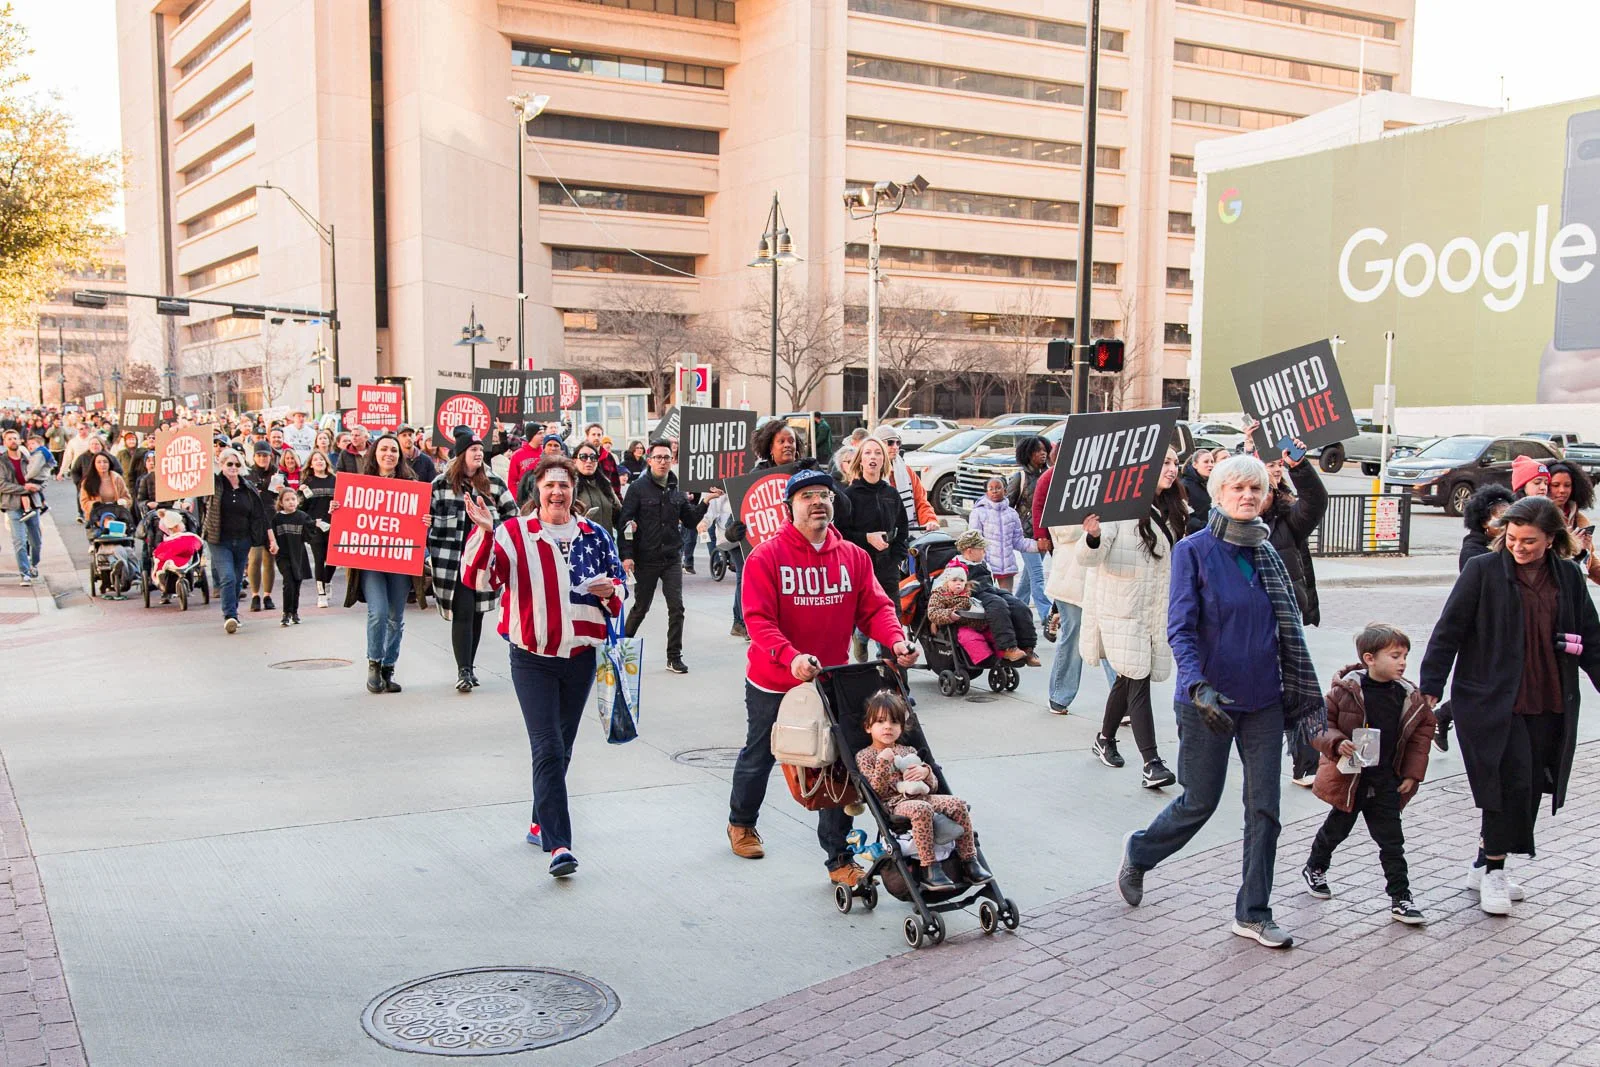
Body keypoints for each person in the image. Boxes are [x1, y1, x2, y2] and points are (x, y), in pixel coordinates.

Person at [1116, 454, 1326, 950]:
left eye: (1255, 489)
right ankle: (1141, 852)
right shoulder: (1193, 551)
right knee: (1199, 802)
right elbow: (1180, 629)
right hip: (1206, 698)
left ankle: (1253, 912)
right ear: (1217, 494)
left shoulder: (1269, 552)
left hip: (1264, 699)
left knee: (1265, 808)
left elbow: (1285, 630)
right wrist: (1195, 684)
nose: (1247, 496)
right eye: (1236, 488)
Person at [726, 467, 919, 890]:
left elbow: (876, 608)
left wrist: (896, 640)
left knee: (835, 765)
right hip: (775, 679)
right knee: (760, 754)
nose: (817, 502)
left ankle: (838, 859)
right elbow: (759, 620)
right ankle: (742, 823)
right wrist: (789, 656)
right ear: (789, 506)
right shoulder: (766, 557)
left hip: (832, 679)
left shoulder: (853, 556)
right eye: (806, 496)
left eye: (824, 495)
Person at [1419, 495, 1600, 915]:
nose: (1519, 547)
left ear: (1553, 539)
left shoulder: (1569, 578)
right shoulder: (1483, 570)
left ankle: (1484, 862)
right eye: (1513, 538)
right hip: (1491, 701)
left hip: (1549, 698)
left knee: (1532, 784)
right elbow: (1449, 630)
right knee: (1508, 783)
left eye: (1530, 541)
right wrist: (1430, 686)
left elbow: (1591, 638)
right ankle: (1496, 871)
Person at [460, 454, 627, 878]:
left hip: (581, 658)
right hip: (531, 658)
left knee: (562, 747)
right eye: (550, 485)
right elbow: (479, 580)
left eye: (564, 486)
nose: (557, 492)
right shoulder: (514, 534)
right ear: (537, 489)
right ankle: (559, 845)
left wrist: (610, 592)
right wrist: (483, 534)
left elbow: (621, 594)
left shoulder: (595, 535)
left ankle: (539, 817)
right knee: (548, 747)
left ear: (574, 492)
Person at [1302, 624, 1436, 925]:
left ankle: (1400, 897)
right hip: (1351, 780)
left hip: (1386, 780)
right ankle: (1315, 866)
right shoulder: (1344, 691)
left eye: (1405, 656)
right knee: (1336, 830)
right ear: (1369, 658)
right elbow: (1318, 726)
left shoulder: (1408, 696)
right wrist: (1337, 742)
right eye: (1395, 655)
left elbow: (1421, 736)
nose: (1402, 662)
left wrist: (1412, 774)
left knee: (1392, 842)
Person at [1081, 446, 1187, 789]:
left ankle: (1104, 738)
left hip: (1155, 609)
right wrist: (1093, 536)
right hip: (1121, 609)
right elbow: (1089, 557)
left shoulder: (1175, 508)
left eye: (1174, 463)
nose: (1171, 469)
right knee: (1137, 679)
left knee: (1128, 678)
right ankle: (1152, 762)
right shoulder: (1118, 508)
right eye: (1164, 462)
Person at [857, 689, 991, 890]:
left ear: (901, 728)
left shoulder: (909, 751)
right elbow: (877, 791)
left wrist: (925, 771)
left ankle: (969, 860)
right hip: (894, 804)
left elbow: (933, 786)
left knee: (958, 804)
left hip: (924, 796)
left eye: (894, 723)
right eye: (881, 722)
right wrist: (883, 763)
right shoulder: (865, 756)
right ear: (868, 727)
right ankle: (930, 867)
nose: (888, 727)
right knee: (921, 809)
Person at [1258, 440, 1328, 786]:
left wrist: (1299, 466)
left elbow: (1316, 503)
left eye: (1259, 488)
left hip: (1283, 619)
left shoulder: (1288, 521)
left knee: (1296, 687)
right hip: (1246, 626)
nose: (1251, 496)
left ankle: (1306, 761)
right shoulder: (1224, 530)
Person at [429, 429, 518, 692]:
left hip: (484, 560)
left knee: (477, 613)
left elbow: (512, 517)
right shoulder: (440, 484)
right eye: (473, 449)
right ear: (460, 455)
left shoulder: (493, 482)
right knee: (464, 611)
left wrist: (493, 527)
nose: (479, 453)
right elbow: (425, 518)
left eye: (481, 449)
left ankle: (469, 666)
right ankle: (463, 670)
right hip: (452, 559)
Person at [339, 433, 427, 694]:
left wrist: (424, 522)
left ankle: (389, 667)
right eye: (384, 449)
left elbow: (418, 520)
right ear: (374, 453)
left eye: (394, 450)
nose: (389, 454)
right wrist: (338, 508)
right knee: (377, 612)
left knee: (395, 618)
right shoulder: (360, 486)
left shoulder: (411, 485)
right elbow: (348, 518)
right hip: (371, 560)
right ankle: (374, 663)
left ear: (400, 457)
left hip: (400, 560)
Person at [619, 440, 712, 674]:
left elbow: (689, 520)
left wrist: (706, 502)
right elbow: (625, 523)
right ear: (649, 460)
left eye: (667, 457)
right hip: (646, 558)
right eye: (658, 457)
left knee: (677, 607)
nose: (662, 462)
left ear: (672, 461)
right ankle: (620, 648)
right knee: (641, 607)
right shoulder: (637, 489)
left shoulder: (676, 488)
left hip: (671, 557)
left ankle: (674, 656)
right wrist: (627, 555)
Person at [723, 420, 801, 639]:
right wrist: (732, 532)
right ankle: (747, 625)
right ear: (770, 447)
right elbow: (736, 519)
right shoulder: (755, 476)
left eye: (791, 441)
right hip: (758, 550)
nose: (788, 445)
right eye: (781, 441)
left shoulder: (804, 471)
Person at [837, 437, 909, 633]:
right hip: (858, 567)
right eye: (868, 453)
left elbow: (903, 528)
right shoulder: (849, 495)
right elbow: (840, 534)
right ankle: (860, 637)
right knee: (852, 619)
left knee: (892, 620)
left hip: (887, 567)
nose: (873, 457)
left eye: (878, 453)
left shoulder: (891, 494)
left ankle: (892, 661)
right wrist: (867, 537)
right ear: (860, 460)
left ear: (884, 460)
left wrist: (896, 557)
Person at [200, 448, 269, 633]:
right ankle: (229, 615)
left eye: (237, 464)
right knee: (228, 577)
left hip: (243, 539)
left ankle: (234, 611)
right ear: (221, 465)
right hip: (219, 539)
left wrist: (262, 537)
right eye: (229, 464)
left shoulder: (248, 488)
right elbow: (198, 470)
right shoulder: (214, 484)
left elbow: (258, 514)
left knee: (238, 579)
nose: (233, 467)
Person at [952, 530, 1040, 664]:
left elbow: (991, 582)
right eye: (982, 549)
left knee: (1019, 605)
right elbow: (946, 587)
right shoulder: (956, 565)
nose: (984, 551)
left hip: (989, 589)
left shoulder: (983, 563)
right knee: (998, 606)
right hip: (972, 593)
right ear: (970, 551)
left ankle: (1027, 647)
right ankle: (1008, 648)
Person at [1008, 435, 1053, 628]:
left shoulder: (1051, 474)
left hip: (1045, 533)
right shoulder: (1020, 477)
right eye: (1037, 450)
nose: (1042, 454)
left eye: (1045, 449)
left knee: (1028, 579)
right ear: (1028, 454)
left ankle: (1015, 611)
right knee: (1037, 574)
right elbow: (1007, 506)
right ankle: (1046, 615)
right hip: (1026, 535)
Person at [968, 475, 1039, 591]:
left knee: (1008, 600)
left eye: (998, 488)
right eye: (991, 488)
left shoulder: (1012, 514)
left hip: (1007, 568)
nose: (994, 491)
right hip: (986, 568)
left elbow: (1018, 541)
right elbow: (974, 540)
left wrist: (1037, 546)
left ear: (1005, 491)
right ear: (986, 492)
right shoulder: (978, 513)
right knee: (988, 601)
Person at [0, 429, 43, 586]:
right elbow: (2, 485)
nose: (12, 441)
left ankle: (33, 564)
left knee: (36, 541)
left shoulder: (29, 459)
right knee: (19, 540)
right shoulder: (2, 462)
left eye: (15, 438)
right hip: (12, 505)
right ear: (4, 443)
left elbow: (41, 478)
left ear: (20, 441)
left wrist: (37, 486)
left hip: (32, 504)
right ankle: (24, 573)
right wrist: (25, 489)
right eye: (9, 439)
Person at [876, 428, 940, 532]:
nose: (895, 447)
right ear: (877, 445)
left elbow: (921, 501)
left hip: (907, 533)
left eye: (898, 443)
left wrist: (930, 520)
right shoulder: (868, 473)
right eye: (890, 443)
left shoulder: (907, 471)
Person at [243, 441, 280, 613]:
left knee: (269, 559)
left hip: (272, 519)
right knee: (254, 558)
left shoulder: (277, 474)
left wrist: (282, 490)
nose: (262, 458)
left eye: (265, 455)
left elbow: (285, 496)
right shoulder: (248, 475)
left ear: (270, 456)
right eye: (259, 455)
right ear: (254, 456)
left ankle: (267, 595)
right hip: (254, 522)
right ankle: (255, 594)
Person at [269, 487, 313, 626]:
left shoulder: (302, 517)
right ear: (281, 502)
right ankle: (286, 613)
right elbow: (271, 536)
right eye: (287, 500)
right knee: (288, 583)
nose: (291, 502)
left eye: (293, 499)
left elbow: (309, 535)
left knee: (296, 583)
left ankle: (294, 612)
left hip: (299, 555)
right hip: (283, 556)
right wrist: (272, 545)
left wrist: (315, 526)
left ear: (298, 500)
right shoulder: (277, 518)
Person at [300, 450, 338, 607]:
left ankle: (327, 581)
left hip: (333, 525)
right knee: (319, 559)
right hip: (315, 526)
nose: (319, 462)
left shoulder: (334, 480)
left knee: (333, 559)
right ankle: (321, 593)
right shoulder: (307, 482)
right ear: (311, 464)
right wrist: (309, 522)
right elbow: (302, 507)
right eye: (315, 460)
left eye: (321, 459)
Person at [1459, 484, 1516, 572]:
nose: (1508, 524)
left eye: (1511, 518)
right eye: (1502, 518)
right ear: (1484, 522)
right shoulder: (1472, 551)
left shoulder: (1513, 543)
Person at [571, 443, 622, 534]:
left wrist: (628, 523)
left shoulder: (605, 484)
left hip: (605, 543)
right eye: (583, 457)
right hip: (580, 543)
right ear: (575, 460)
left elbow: (619, 514)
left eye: (593, 457)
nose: (589, 461)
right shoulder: (569, 486)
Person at [581, 423, 622, 496]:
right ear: (587, 436)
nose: (596, 437)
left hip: (607, 498)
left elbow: (615, 481)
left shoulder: (609, 457)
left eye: (599, 435)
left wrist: (618, 499)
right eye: (593, 434)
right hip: (586, 499)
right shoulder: (580, 455)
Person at [1182, 448, 1215, 534]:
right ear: (1195, 465)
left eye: (1212, 461)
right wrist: (1206, 527)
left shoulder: (1211, 484)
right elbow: (1186, 516)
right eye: (1206, 462)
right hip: (1197, 534)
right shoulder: (1185, 486)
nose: (1210, 465)